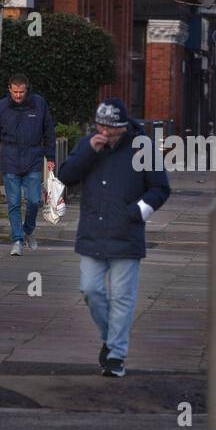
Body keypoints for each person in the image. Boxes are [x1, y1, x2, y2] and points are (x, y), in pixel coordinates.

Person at [57, 99, 170, 378]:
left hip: (126, 233)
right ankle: (111, 340)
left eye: (111, 129)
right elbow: (66, 176)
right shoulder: (88, 144)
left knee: (122, 297)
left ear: (123, 126)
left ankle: (116, 355)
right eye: (101, 127)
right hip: (92, 232)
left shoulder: (142, 148)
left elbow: (160, 188)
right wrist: (89, 154)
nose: (105, 133)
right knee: (90, 290)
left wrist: (137, 212)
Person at [0, 73, 57, 256]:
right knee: (14, 203)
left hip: (33, 159)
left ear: (27, 89)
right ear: (9, 89)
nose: (18, 95)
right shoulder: (1, 108)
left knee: (34, 201)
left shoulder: (39, 104)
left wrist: (51, 157)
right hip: (10, 160)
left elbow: (49, 131)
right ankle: (17, 240)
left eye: (21, 92)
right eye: (15, 92)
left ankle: (27, 231)